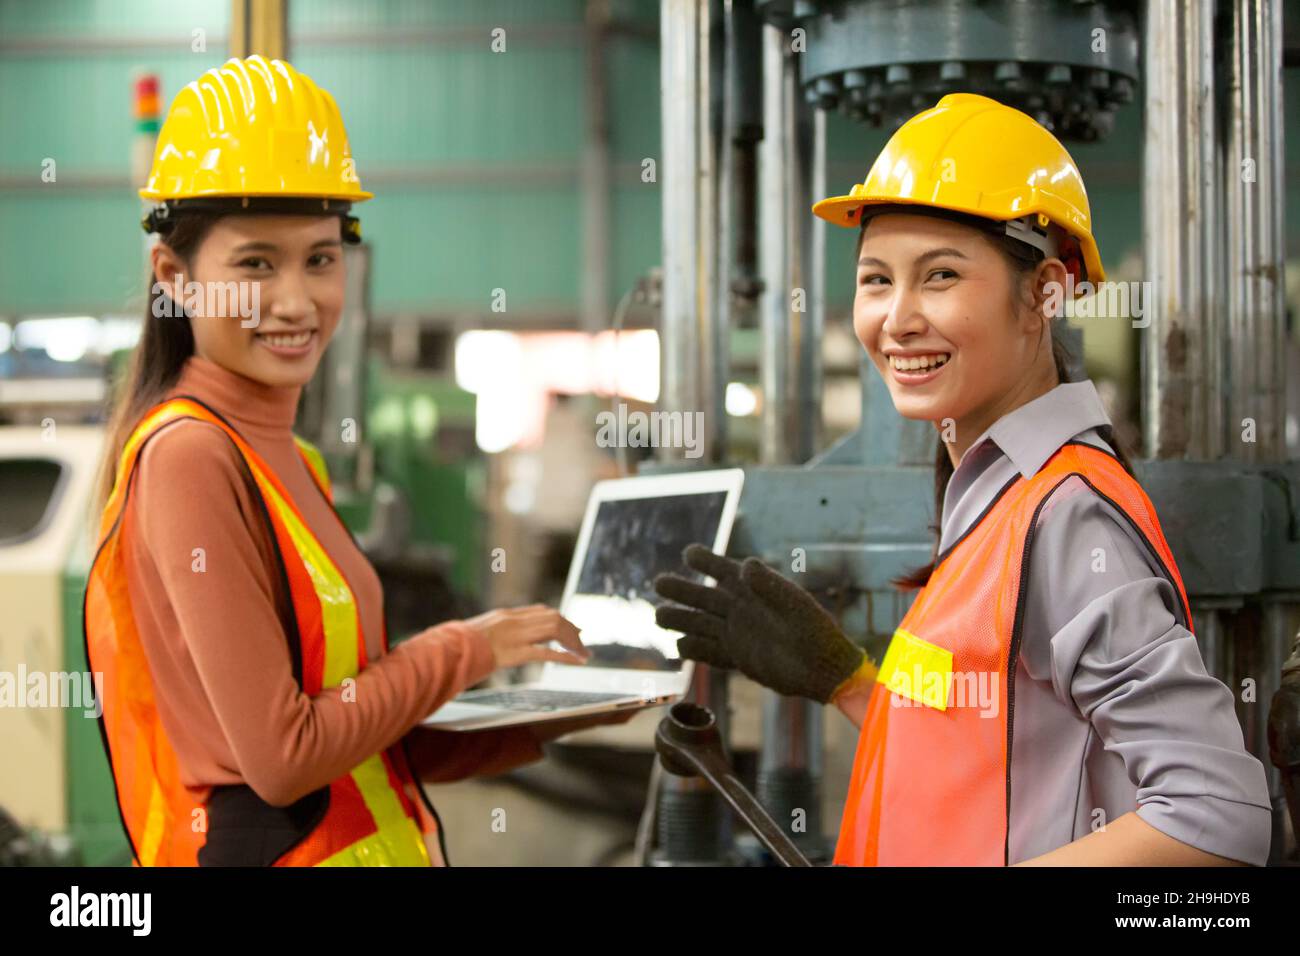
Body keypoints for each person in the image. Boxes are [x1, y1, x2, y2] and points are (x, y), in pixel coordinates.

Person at [653, 93, 1272, 866]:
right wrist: (847, 680)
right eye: (876, 280)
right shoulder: (994, 499)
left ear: (1044, 292)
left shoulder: (1066, 515)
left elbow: (1217, 813)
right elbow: (993, 746)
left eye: (940, 275)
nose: (898, 318)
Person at [85, 55, 622, 868]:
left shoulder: (293, 459)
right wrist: (466, 648)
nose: (298, 301)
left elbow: (357, 740)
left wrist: (567, 714)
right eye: (255, 263)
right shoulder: (189, 457)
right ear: (175, 277)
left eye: (321, 258)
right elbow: (284, 760)